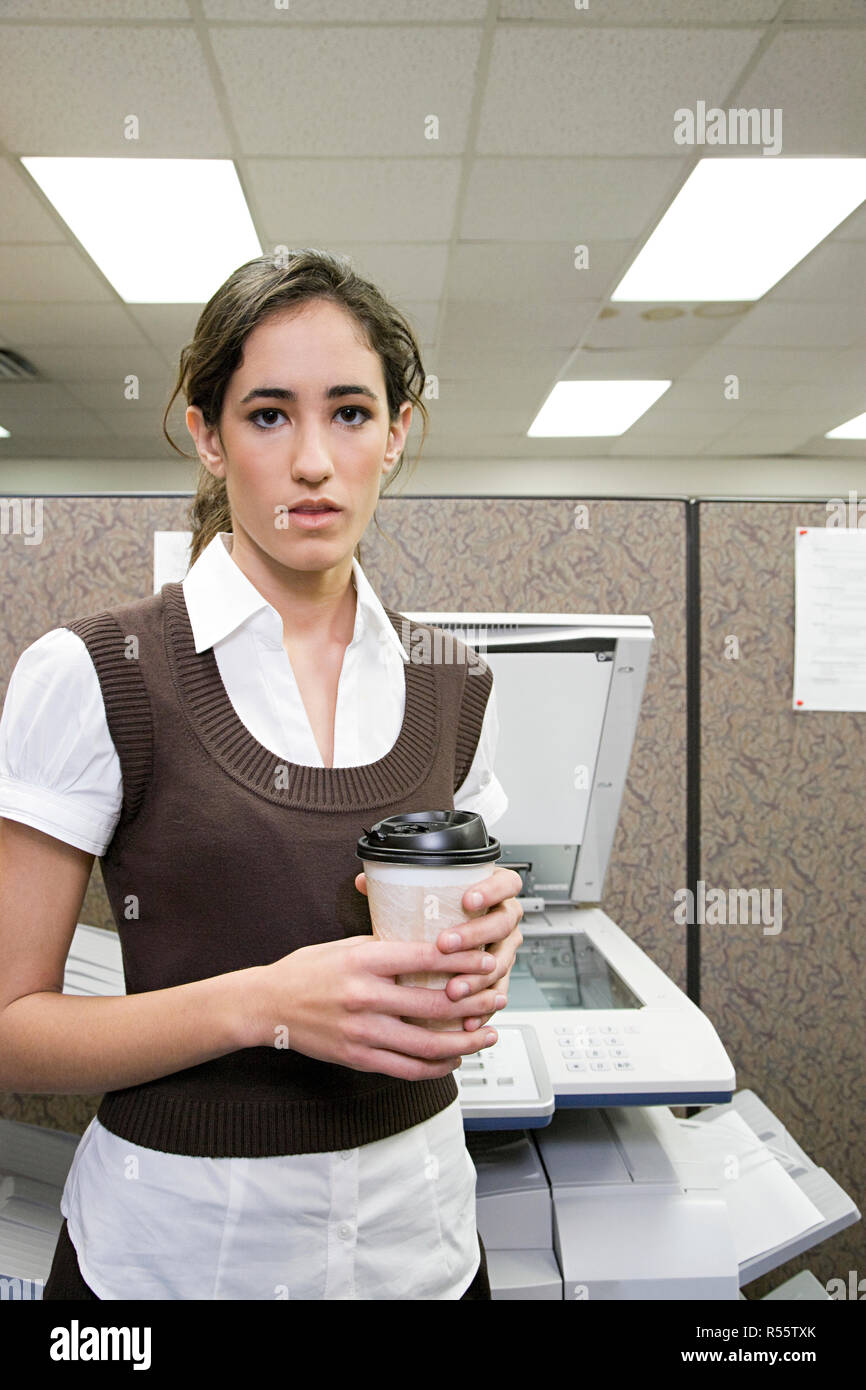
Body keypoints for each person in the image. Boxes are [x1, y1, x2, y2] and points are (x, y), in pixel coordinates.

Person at [0, 248, 524, 1300]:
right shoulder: (96, 673)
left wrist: (489, 943)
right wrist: (264, 1005)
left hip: (419, 1253)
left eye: (350, 413)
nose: (315, 461)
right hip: (175, 1265)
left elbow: (451, 953)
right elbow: (12, 1029)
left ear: (398, 434)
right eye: (269, 414)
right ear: (206, 437)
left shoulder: (454, 683)